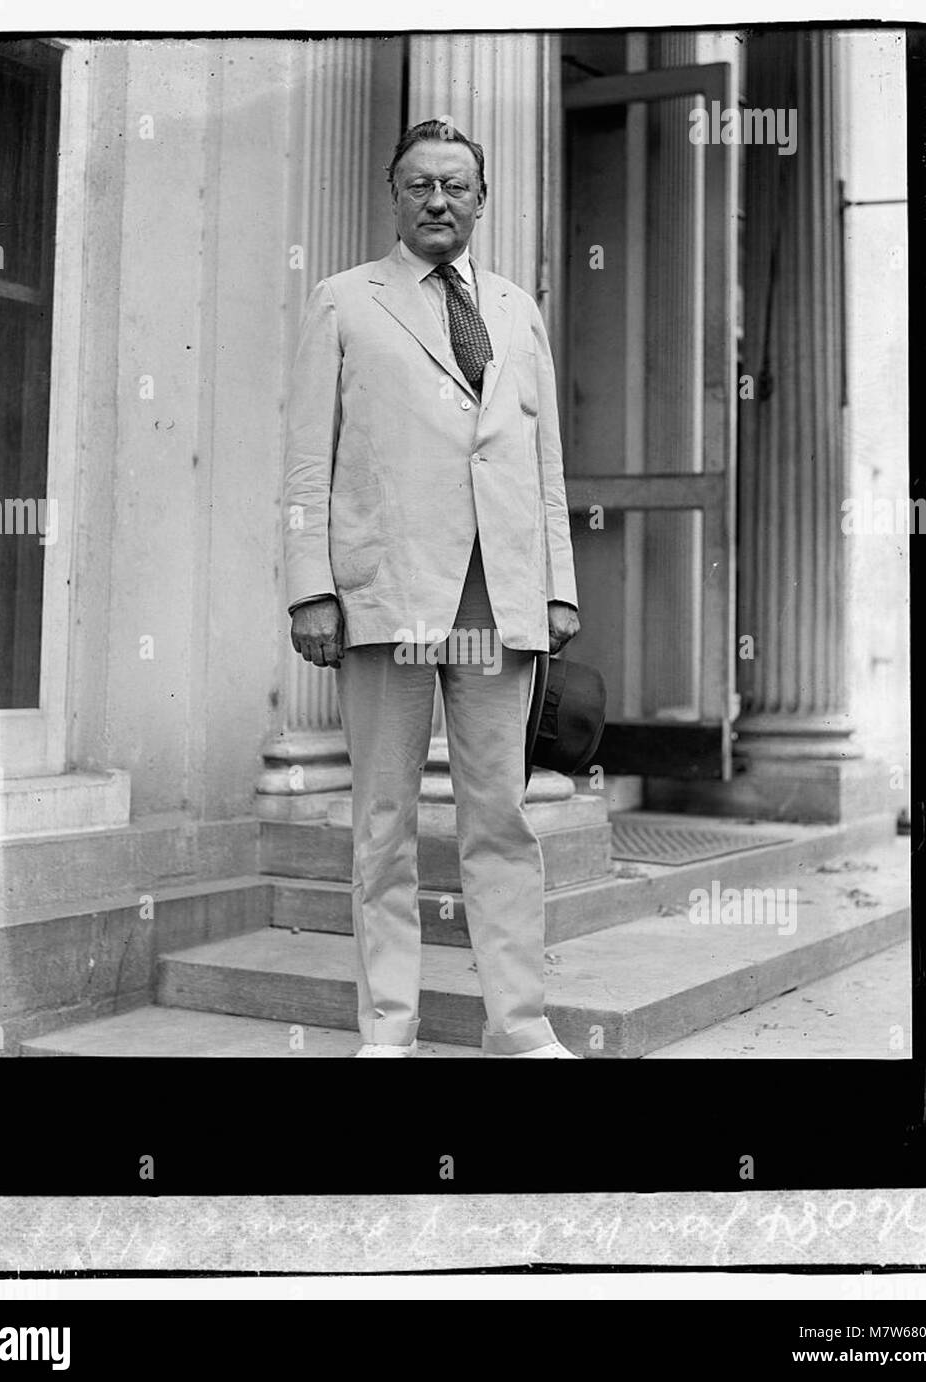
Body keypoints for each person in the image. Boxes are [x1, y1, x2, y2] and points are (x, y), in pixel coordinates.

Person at [283, 119, 581, 1058]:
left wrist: (557, 586)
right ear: (394, 196)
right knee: (386, 822)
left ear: (483, 200)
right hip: (389, 595)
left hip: (499, 598)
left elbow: (545, 464)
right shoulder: (344, 302)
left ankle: (520, 1027)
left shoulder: (517, 310)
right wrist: (309, 590)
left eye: (456, 186)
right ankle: (391, 1030)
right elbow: (304, 467)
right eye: (420, 186)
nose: (439, 201)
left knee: (502, 818)